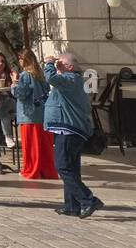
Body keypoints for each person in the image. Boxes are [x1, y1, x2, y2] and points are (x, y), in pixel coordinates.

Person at [44, 51, 104, 218]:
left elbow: (50, 78)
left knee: (62, 166)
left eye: (60, 63)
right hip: (69, 129)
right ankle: (72, 205)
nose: (57, 65)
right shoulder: (71, 81)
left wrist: (49, 64)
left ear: (70, 67)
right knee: (71, 168)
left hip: (68, 130)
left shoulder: (70, 79)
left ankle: (88, 200)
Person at [12, 49, 57, 180]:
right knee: (44, 147)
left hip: (29, 115)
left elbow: (21, 94)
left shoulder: (25, 75)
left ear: (23, 60)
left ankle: (31, 170)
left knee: (31, 147)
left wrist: (14, 83)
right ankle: (46, 170)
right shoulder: (40, 74)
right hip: (42, 114)